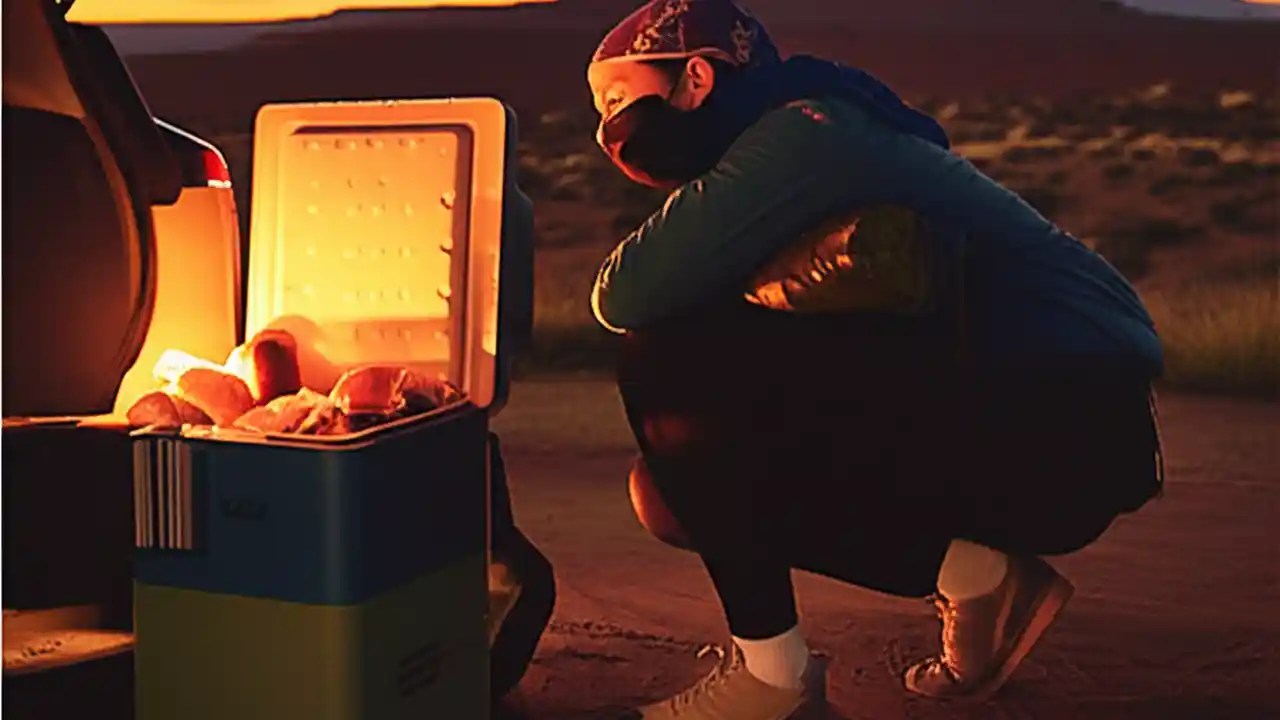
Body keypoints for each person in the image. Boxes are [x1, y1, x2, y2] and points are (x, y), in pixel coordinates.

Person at [584, 1, 1167, 718]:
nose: (605, 128)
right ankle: (978, 579)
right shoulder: (802, 134)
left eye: (615, 99)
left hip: (1063, 413)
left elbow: (625, 293)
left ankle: (773, 681)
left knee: (663, 351)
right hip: (1048, 408)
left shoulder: (807, 134)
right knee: (674, 489)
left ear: (696, 79)